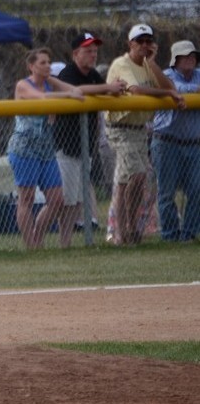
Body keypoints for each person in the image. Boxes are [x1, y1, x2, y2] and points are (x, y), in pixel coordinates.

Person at [104, 23, 186, 245]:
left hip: (139, 129)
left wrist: (152, 63)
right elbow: (136, 90)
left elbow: (171, 87)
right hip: (120, 129)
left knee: (126, 182)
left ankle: (124, 233)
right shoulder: (122, 64)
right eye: (140, 41)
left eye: (149, 41)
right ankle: (129, 228)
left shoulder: (148, 65)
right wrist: (166, 92)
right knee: (137, 175)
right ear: (130, 44)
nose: (144, 45)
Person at [51, 32, 127, 247]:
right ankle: (40, 237)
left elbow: (103, 90)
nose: (93, 54)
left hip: (85, 146)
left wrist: (115, 89)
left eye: (95, 51)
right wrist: (107, 88)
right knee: (64, 200)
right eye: (87, 51)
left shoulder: (93, 74)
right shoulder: (69, 72)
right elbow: (78, 90)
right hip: (65, 146)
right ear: (76, 53)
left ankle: (65, 243)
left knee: (76, 199)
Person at [8, 48, 85, 249]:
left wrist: (74, 92)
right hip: (25, 148)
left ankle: (38, 236)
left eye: (48, 62)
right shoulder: (23, 85)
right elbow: (41, 98)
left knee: (57, 199)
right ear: (31, 66)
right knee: (27, 197)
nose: (47, 66)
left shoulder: (50, 82)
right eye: (42, 62)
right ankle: (31, 246)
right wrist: (69, 95)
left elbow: (74, 89)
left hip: (46, 149)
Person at [151, 40, 200, 242]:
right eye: (185, 55)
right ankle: (170, 236)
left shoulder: (198, 74)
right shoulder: (166, 75)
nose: (190, 59)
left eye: (193, 55)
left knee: (197, 191)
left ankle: (188, 234)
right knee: (166, 193)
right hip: (166, 142)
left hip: (194, 143)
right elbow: (176, 89)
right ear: (175, 59)